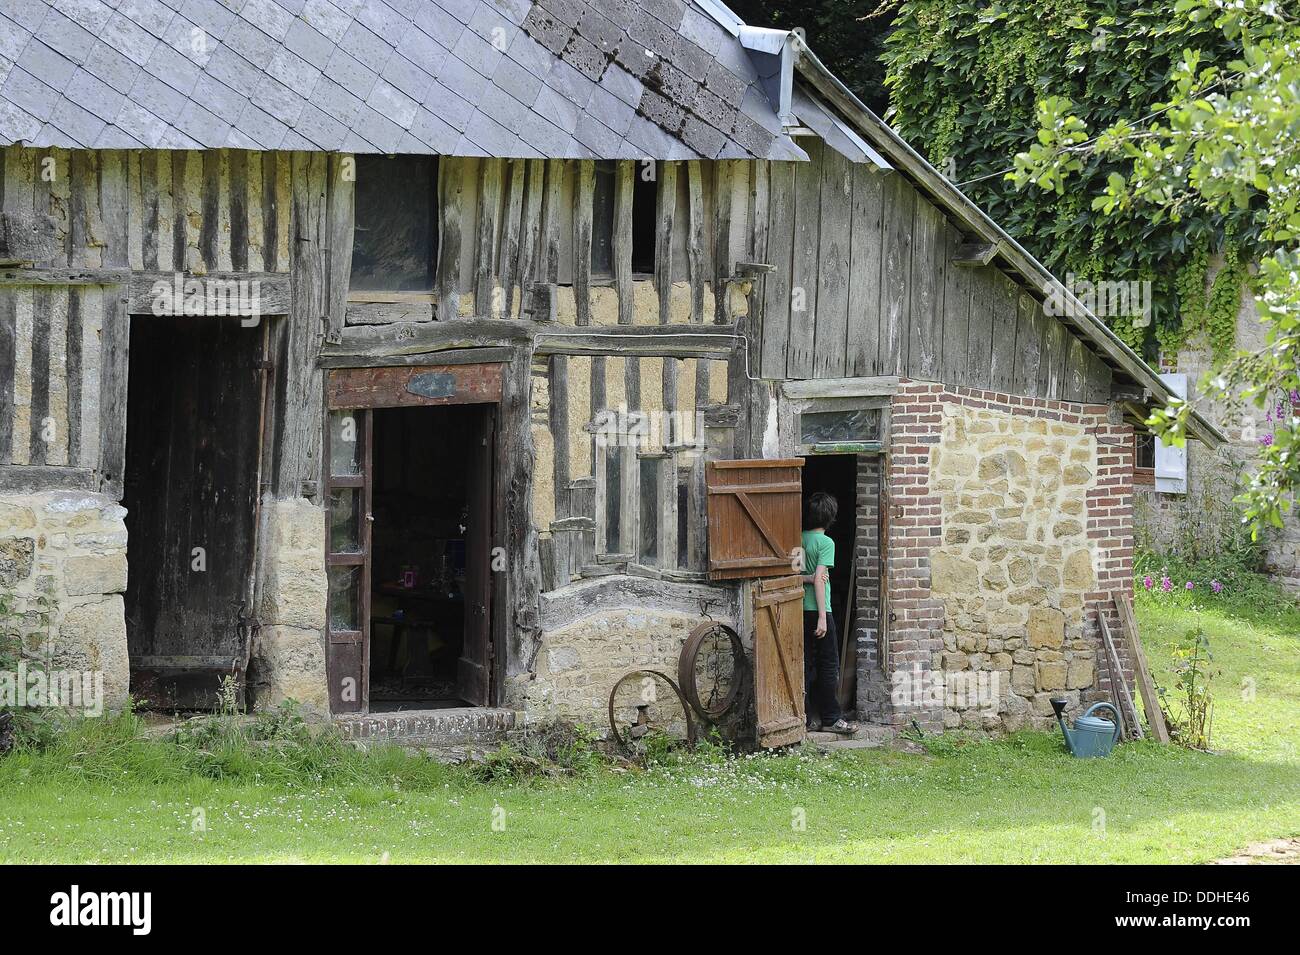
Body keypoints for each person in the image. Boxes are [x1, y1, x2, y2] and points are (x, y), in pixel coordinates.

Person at [801, 492, 857, 735]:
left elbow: (794, 577)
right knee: (828, 665)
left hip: (799, 609)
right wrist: (824, 616)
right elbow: (820, 582)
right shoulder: (826, 543)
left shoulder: (798, 539)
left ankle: (807, 716)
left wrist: (810, 578)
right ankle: (831, 718)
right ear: (831, 518)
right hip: (820, 610)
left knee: (805, 664)